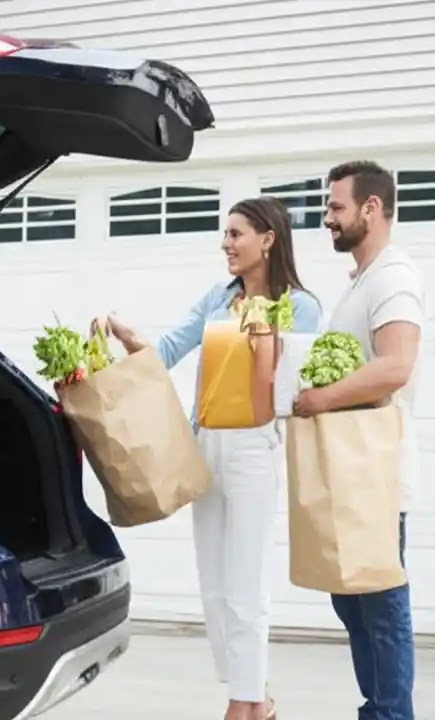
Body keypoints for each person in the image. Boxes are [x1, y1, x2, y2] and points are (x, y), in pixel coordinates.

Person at [95, 197, 321, 720]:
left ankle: (242, 704)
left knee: (246, 581)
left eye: (236, 234)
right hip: (206, 443)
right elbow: (169, 349)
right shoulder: (217, 301)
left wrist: (267, 335)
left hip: (254, 446)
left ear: (268, 239)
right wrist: (126, 337)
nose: (226, 244)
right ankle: (254, 695)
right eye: (225, 234)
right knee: (215, 585)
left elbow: (292, 386)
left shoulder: (300, 306)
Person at [293, 160, 426, 720]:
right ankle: (378, 710)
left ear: (371, 208)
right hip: (349, 476)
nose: (327, 218)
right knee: (353, 601)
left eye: (335, 206)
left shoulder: (394, 277)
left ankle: (391, 715)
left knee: (379, 604)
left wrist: (318, 400)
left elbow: (396, 366)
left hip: (374, 477)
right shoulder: (362, 283)